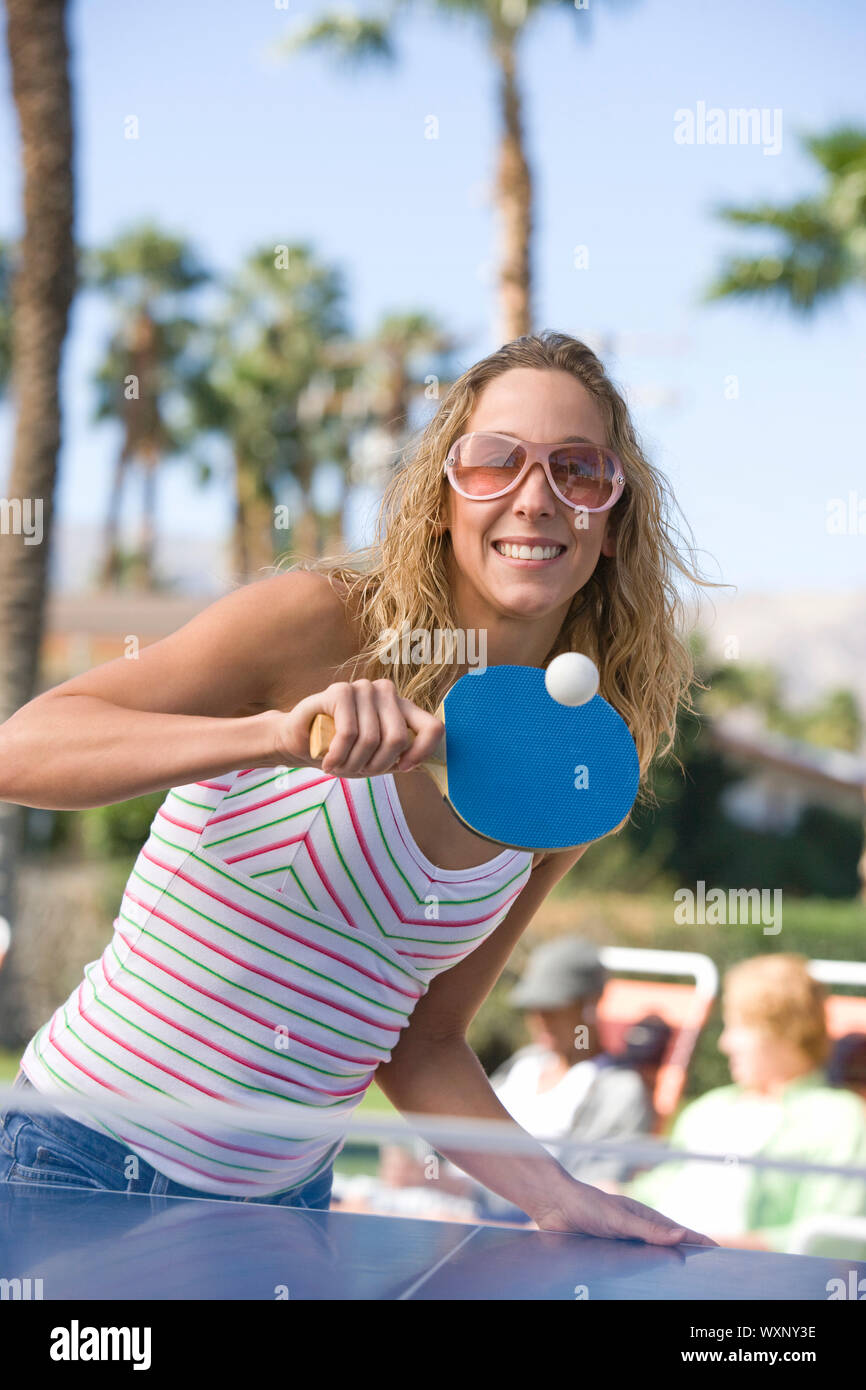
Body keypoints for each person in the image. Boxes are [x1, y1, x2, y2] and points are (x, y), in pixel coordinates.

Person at [0, 330, 720, 1246]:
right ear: (441, 501)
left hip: (283, 1209)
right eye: (496, 462)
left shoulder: (567, 772)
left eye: (577, 470)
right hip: (78, 1164)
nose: (535, 498)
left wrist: (556, 1193)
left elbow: (422, 1041)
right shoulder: (314, 624)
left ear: (611, 521)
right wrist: (273, 738)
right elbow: (20, 751)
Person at [369, 937, 655, 1222]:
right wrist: (417, 1164)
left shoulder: (619, 1089)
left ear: (590, 1004)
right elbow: (455, 1126)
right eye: (534, 1008)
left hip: (486, 1219)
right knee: (350, 1200)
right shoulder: (524, 1063)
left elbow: (589, 1194)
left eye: (553, 1008)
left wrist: (455, 1188)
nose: (540, 1019)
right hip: (432, 1200)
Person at [620, 954, 866, 1254]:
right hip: (659, 1262)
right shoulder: (710, 1108)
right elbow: (660, 1189)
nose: (725, 1043)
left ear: (782, 1029)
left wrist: (719, 1248)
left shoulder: (840, 1119)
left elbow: (834, 1242)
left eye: (737, 1026)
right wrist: (614, 1196)